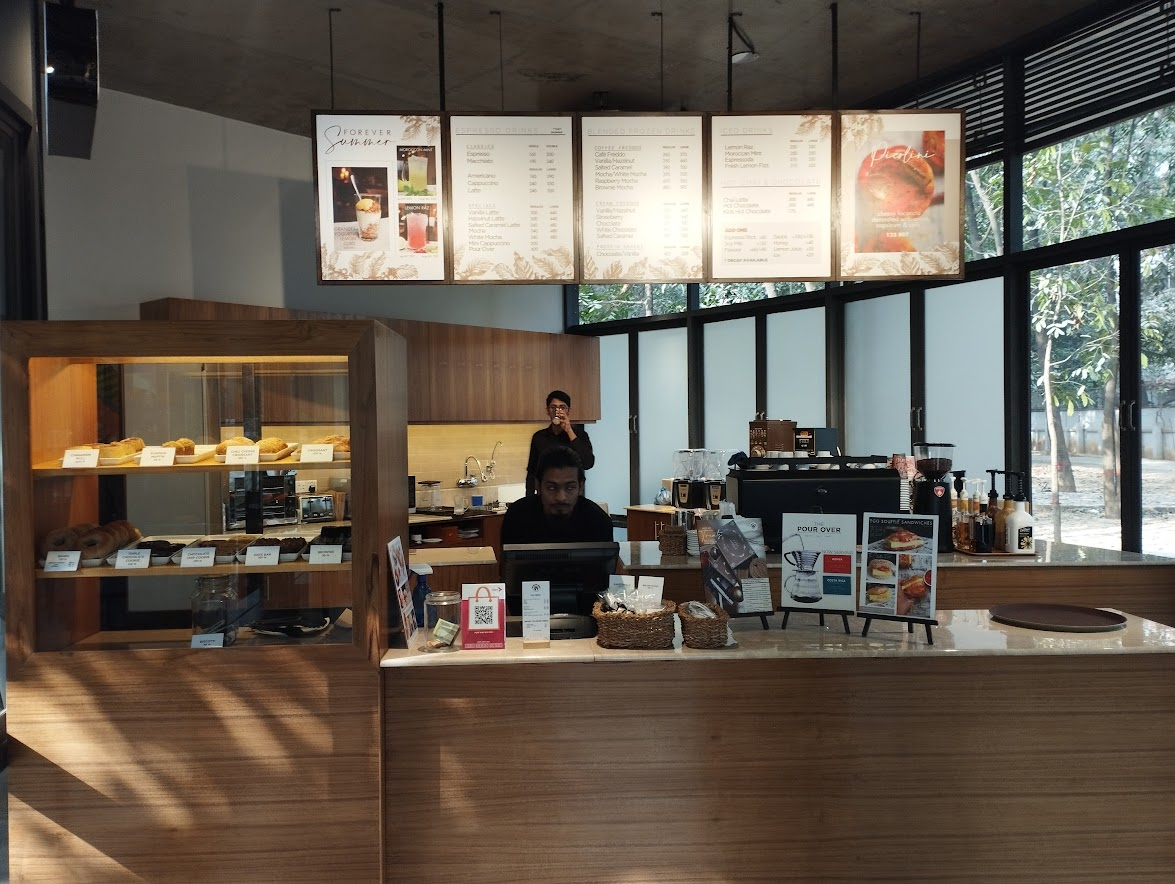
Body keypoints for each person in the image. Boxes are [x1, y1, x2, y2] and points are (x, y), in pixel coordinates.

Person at [502, 446, 612, 547]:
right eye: (551, 488)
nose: (561, 497)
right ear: (538, 486)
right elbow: (509, 566)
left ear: (581, 487)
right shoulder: (518, 517)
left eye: (570, 488)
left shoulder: (598, 521)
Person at [525, 389, 594, 496]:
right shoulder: (539, 437)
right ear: (547, 411)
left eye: (562, 407)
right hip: (546, 496)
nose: (557, 411)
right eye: (553, 407)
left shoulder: (580, 435)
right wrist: (528, 500)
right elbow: (531, 472)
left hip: (573, 496)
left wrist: (569, 430)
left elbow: (588, 463)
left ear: (568, 411)